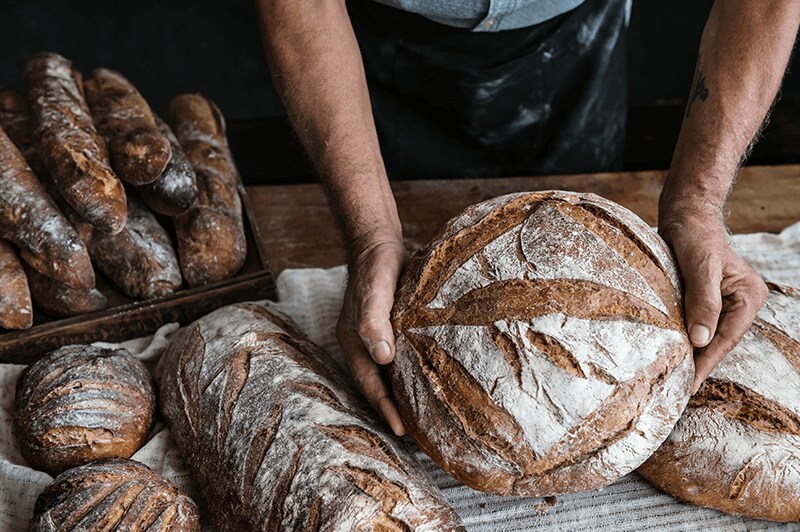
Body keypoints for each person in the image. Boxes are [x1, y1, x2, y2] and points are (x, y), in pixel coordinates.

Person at [256, 0, 800, 436]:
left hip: (576, 36)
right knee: (402, 301)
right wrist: (370, 233)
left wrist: (697, 206)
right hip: (368, 54)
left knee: (584, 258)